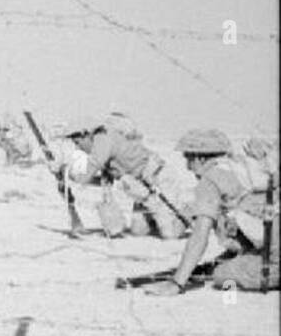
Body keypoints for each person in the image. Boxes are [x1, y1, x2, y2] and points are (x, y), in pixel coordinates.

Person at [145, 128, 279, 295]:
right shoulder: (240, 168)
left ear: (200, 158)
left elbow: (200, 235)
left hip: (275, 258)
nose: (188, 167)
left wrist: (177, 283)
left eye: (189, 159)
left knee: (222, 275)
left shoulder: (210, 179)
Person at [61, 117, 187, 239]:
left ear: (85, 135)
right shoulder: (101, 148)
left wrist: (65, 171)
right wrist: (69, 175)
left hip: (159, 179)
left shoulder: (102, 142)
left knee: (170, 234)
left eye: (78, 143)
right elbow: (101, 181)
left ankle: (190, 212)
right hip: (142, 189)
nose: (78, 148)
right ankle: (160, 218)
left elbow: (85, 176)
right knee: (139, 231)